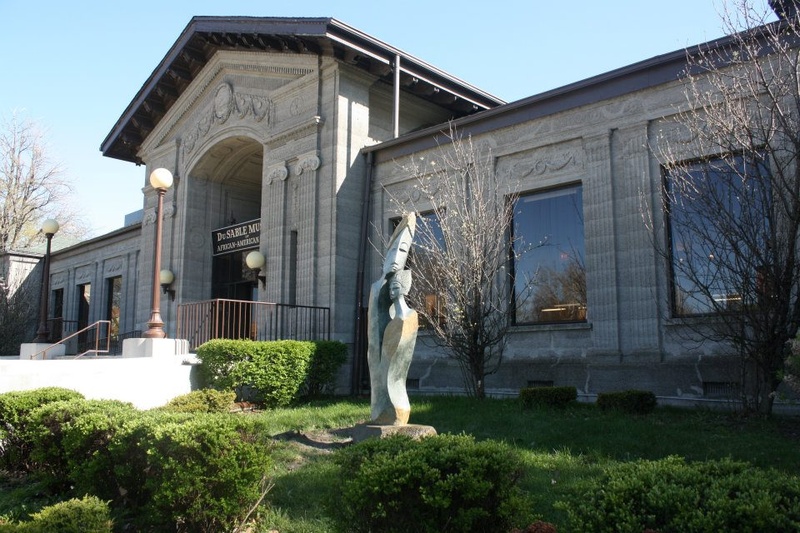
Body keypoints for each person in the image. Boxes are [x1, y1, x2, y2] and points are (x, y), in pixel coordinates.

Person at [367, 213, 416, 424]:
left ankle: (389, 409)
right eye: (394, 250)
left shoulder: (405, 314)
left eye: (403, 252)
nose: (397, 258)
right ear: (387, 254)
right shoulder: (377, 289)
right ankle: (379, 408)